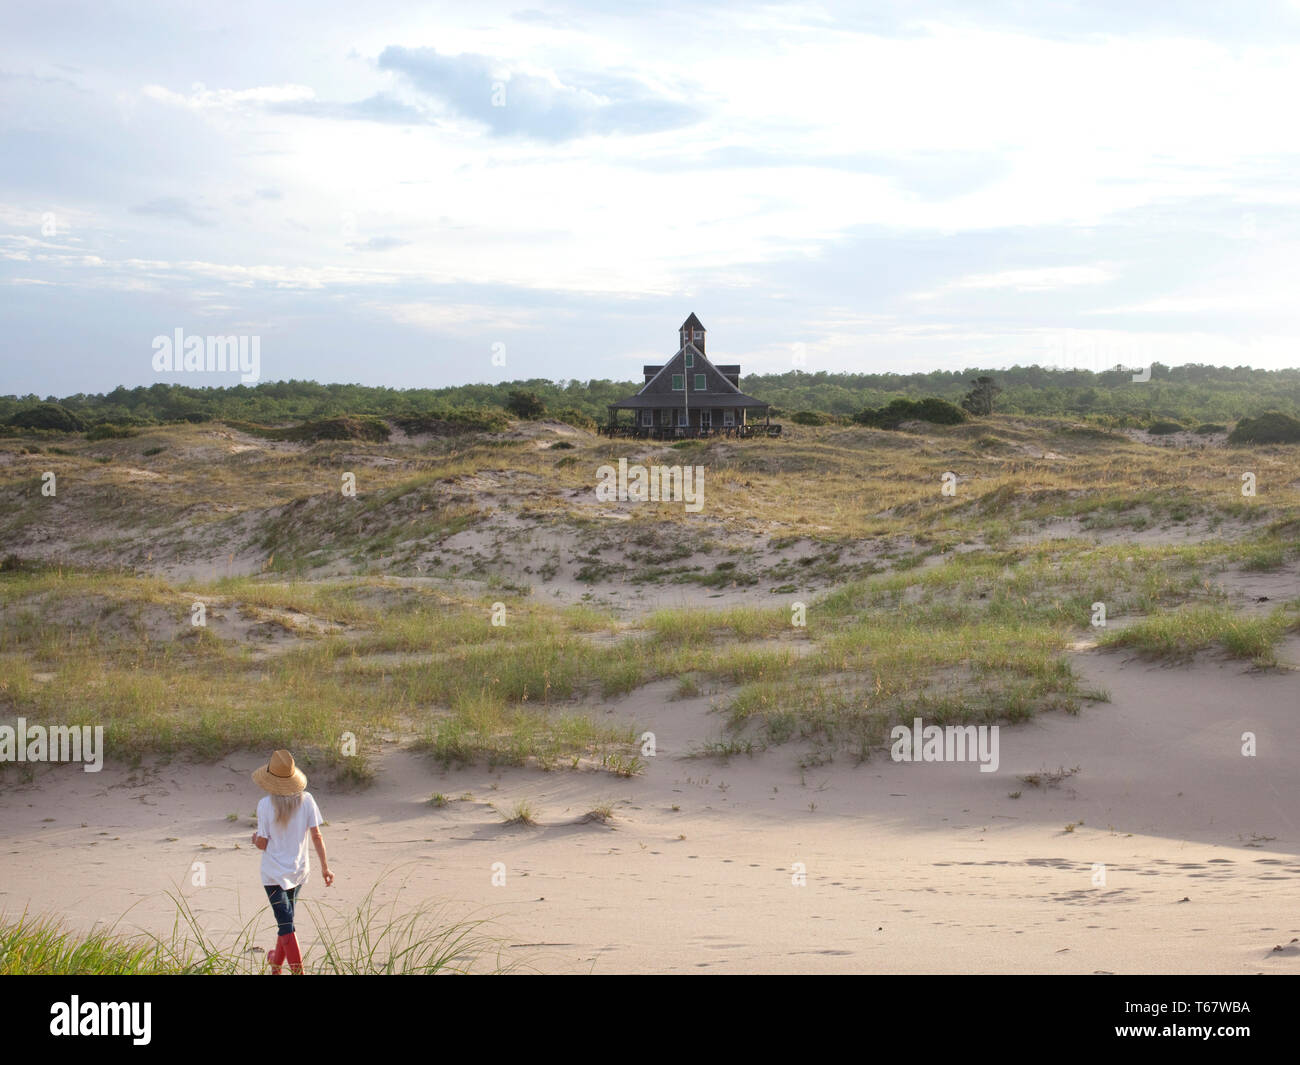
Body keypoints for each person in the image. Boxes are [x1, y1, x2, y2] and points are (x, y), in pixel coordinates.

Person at [250, 749, 334, 974]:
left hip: (273, 874)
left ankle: (294, 971)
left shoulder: (265, 805)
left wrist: (255, 839)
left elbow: (263, 844)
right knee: (286, 922)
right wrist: (325, 867)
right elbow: (317, 835)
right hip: (298, 871)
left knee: (285, 924)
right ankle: (276, 965)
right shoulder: (307, 800)